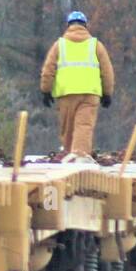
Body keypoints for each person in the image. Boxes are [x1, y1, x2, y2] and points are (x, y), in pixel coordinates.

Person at [38, 10, 115, 159]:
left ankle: (68, 157)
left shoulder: (59, 45)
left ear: (68, 25)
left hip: (66, 94)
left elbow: (48, 69)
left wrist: (45, 90)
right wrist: (107, 93)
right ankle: (80, 158)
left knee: (68, 129)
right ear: (85, 25)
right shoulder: (96, 45)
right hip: (90, 93)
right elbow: (107, 72)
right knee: (84, 127)